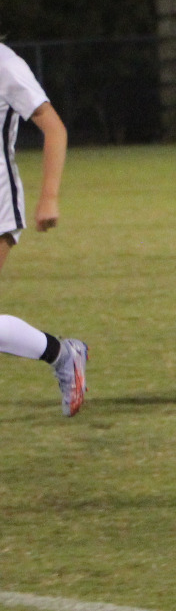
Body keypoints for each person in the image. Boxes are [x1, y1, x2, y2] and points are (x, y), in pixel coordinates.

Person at [0, 42, 86, 415]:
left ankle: (63, 355)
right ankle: (62, 354)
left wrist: (48, 196)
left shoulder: (4, 63)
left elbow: (54, 128)